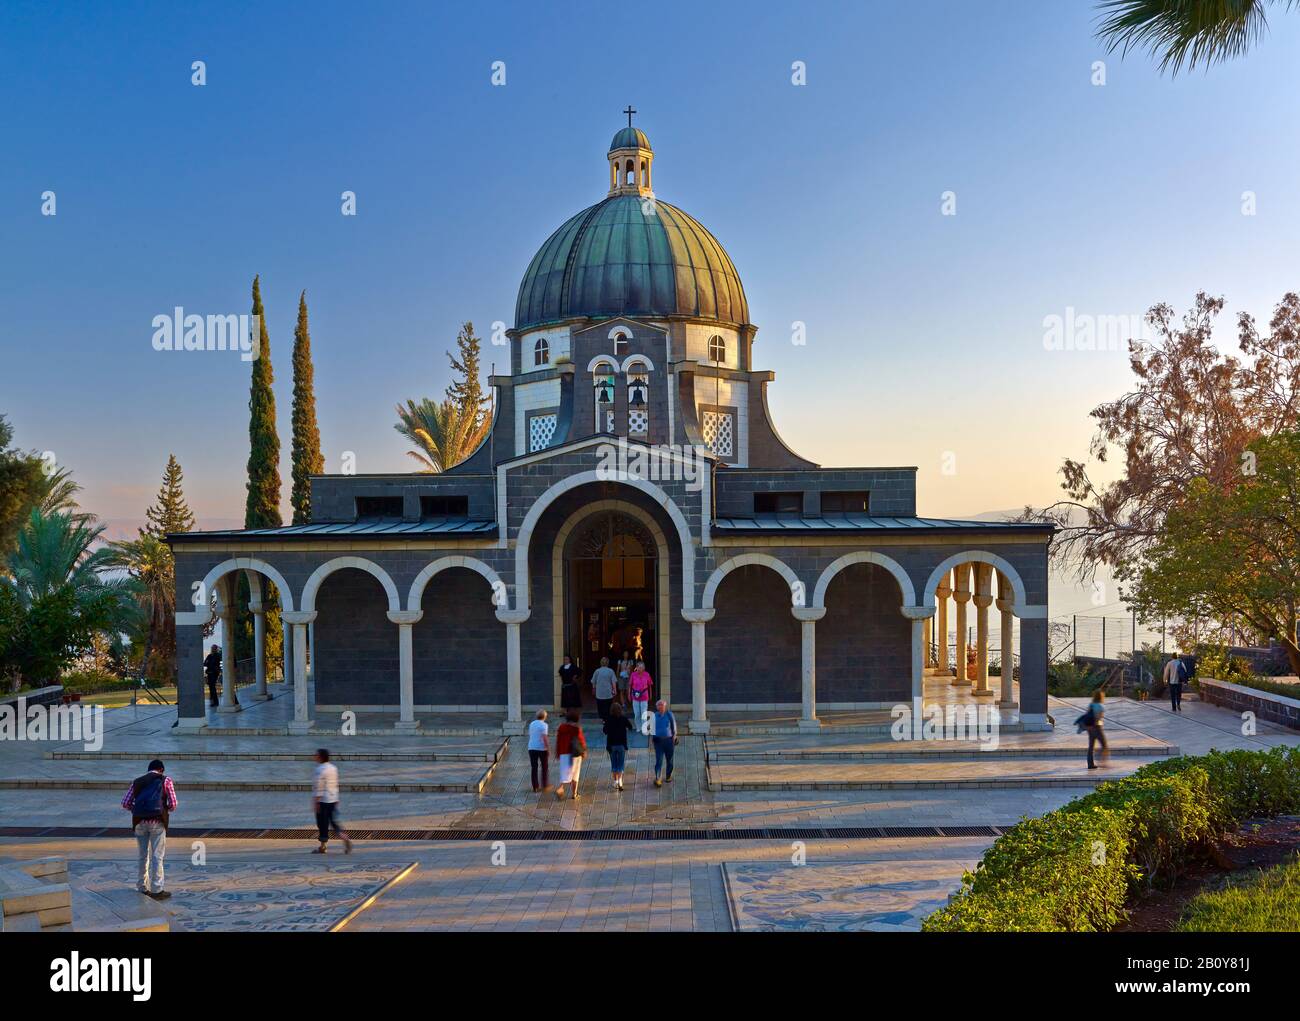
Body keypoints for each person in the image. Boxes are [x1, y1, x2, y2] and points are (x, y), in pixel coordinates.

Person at [121, 758, 178, 901]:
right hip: (157, 822)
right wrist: (164, 810)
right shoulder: (165, 780)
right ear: (161, 770)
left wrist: (138, 811)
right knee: (157, 856)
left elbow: (125, 803)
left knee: (142, 855)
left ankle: (142, 887)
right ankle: (157, 889)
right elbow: (173, 804)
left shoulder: (137, 781)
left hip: (139, 822)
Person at [312, 749, 352, 854]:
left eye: (316, 755)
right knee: (334, 823)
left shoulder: (319, 769)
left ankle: (323, 846)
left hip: (323, 800)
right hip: (333, 799)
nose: (314, 756)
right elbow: (335, 783)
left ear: (320, 757)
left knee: (322, 824)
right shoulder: (333, 768)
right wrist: (337, 798)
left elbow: (319, 787)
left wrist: (316, 802)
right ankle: (344, 837)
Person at [554, 710, 586, 800]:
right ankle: (574, 794)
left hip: (564, 753)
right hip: (575, 754)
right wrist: (584, 751)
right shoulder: (577, 728)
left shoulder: (561, 727)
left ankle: (560, 788)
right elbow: (581, 741)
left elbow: (558, 741)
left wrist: (557, 752)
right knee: (575, 773)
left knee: (565, 774)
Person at [604, 701, 634, 791]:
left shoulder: (608, 719)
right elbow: (630, 727)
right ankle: (620, 781)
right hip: (621, 744)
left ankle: (615, 781)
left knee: (614, 764)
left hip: (611, 745)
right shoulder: (623, 718)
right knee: (620, 764)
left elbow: (605, 731)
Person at [651, 699, 678, 787]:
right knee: (659, 760)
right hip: (658, 741)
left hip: (669, 740)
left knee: (669, 760)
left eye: (662, 705)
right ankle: (658, 778)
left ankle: (668, 776)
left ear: (665, 706)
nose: (660, 707)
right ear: (657, 707)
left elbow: (673, 725)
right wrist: (652, 738)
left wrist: (674, 736)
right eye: (659, 705)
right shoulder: (654, 715)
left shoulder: (669, 714)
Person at [1085, 690, 1108, 769]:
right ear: (1101, 696)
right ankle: (1102, 761)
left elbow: (1087, 715)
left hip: (1090, 727)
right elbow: (1099, 717)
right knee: (1104, 745)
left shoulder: (1091, 705)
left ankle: (1090, 764)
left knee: (1091, 746)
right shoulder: (1101, 706)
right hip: (1097, 727)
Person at [527, 709, 550, 792]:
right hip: (541, 748)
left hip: (531, 747)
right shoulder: (544, 725)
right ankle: (545, 784)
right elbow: (545, 738)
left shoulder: (532, 724)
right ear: (544, 717)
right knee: (544, 767)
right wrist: (548, 748)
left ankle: (535, 786)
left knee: (534, 767)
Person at [590, 656, 618, 721]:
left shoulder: (597, 671)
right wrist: (615, 690)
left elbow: (593, 682)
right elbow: (613, 682)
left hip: (599, 693)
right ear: (608, 663)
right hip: (608, 693)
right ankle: (608, 718)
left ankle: (603, 719)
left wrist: (593, 689)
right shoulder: (611, 671)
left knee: (601, 707)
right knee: (608, 707)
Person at [629, 659, 653, 732]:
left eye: (641, 667)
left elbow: (650, 685)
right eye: (639, 667)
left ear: (644, 668)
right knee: (637, 713)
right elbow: (630, 685)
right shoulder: (633, 674)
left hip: (644, 696)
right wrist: (628, 694)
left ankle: (644, 727)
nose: (640, 669)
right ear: (636, 667)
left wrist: (650, 694)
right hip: (635, 696)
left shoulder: (647, 674)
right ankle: (638, 727)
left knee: (644, 713)